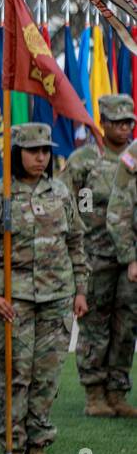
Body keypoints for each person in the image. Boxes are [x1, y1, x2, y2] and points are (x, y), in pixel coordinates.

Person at [0, 123, 88, 454]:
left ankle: (38, 447)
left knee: (47, 376)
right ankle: (12, 449)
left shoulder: (61, 194)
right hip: (12, 302)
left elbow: (76, 241)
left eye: (45, 150)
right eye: (33, 151)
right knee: (16, 375)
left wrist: (81, 289)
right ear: (17, 153)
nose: (40, 157)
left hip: (57, 299)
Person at [64, 94, 135, 416]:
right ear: (102, 123)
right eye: (117, 122)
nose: (124, 128)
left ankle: (117, 391)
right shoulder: (83, 160)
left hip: (130, 258)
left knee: (126, 325)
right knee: (95, 324)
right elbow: (63, 203)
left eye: (129, 123)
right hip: (95, 256)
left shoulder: (135, 157)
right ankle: (94, 392)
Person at [101, 137, 137, 419]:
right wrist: (130, 257)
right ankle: (115, 392)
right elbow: (118, 210)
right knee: (125, 326)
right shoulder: (133, 154)